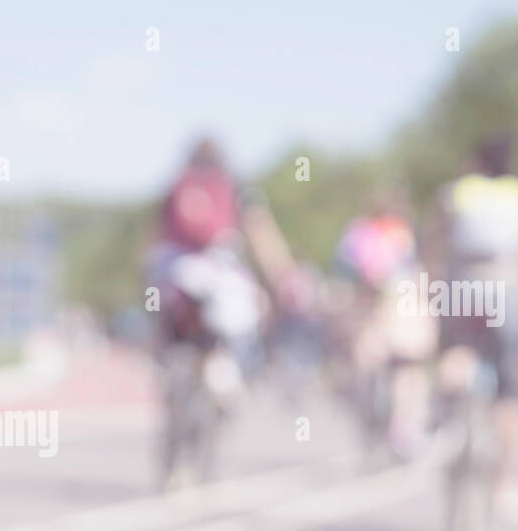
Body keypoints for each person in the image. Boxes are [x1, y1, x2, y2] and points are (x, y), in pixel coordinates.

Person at [424, 133, 518, 517]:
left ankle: (444, 415)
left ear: (477, 161)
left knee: (456, 351)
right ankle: (508, 483)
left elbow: (432, 247)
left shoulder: (455, 192)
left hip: (462, 286)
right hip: (508, 290)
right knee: (510, 389)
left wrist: (429, 289)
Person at [146, 138, 298, 488]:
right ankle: (226, 392)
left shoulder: (174, 188)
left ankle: (172, 388)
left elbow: (153, 240)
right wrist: (283, 279)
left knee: (172, 352)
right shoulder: (238, 189)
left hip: (176, 284)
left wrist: (149, 283)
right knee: (231, 348)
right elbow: (264, 238)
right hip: (221, 287)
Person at [334, 185, 435, 459]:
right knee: (405, 369)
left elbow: (345, 269)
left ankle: (387, 422)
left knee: (374, 364)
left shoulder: (358, 232)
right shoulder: (402, 233)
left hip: (378, 307)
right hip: (391, 307)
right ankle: (402, 429)